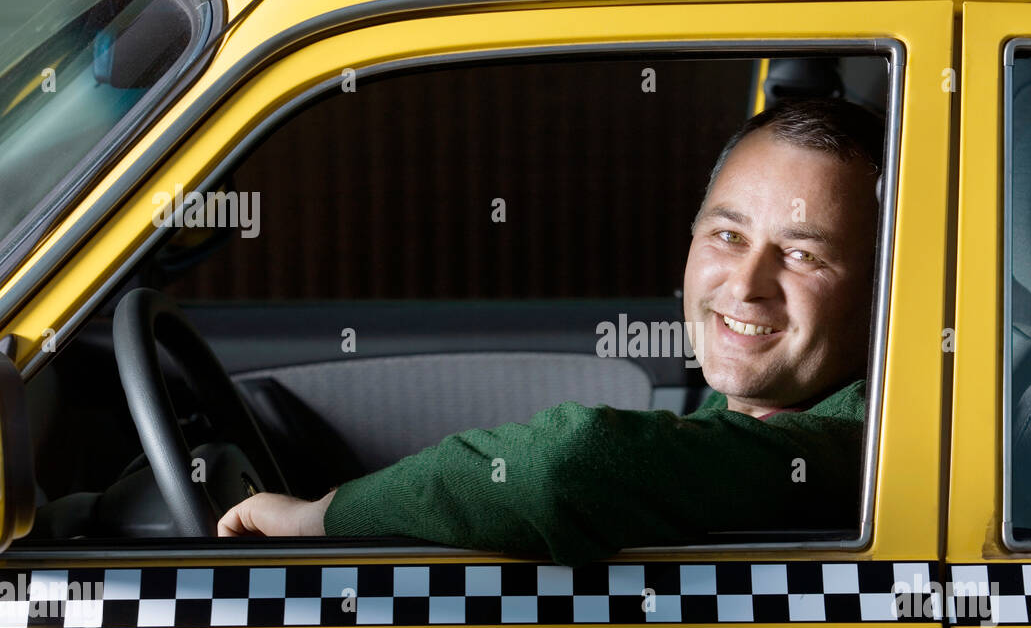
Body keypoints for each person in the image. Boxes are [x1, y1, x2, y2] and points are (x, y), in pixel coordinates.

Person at [218, 96, 884, 566]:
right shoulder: (778, 410)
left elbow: (565, 466)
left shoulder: (856, 445)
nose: (744, 284)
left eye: (802, 254)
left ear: (887, 287)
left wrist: (316, 520)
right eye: (726, 234)